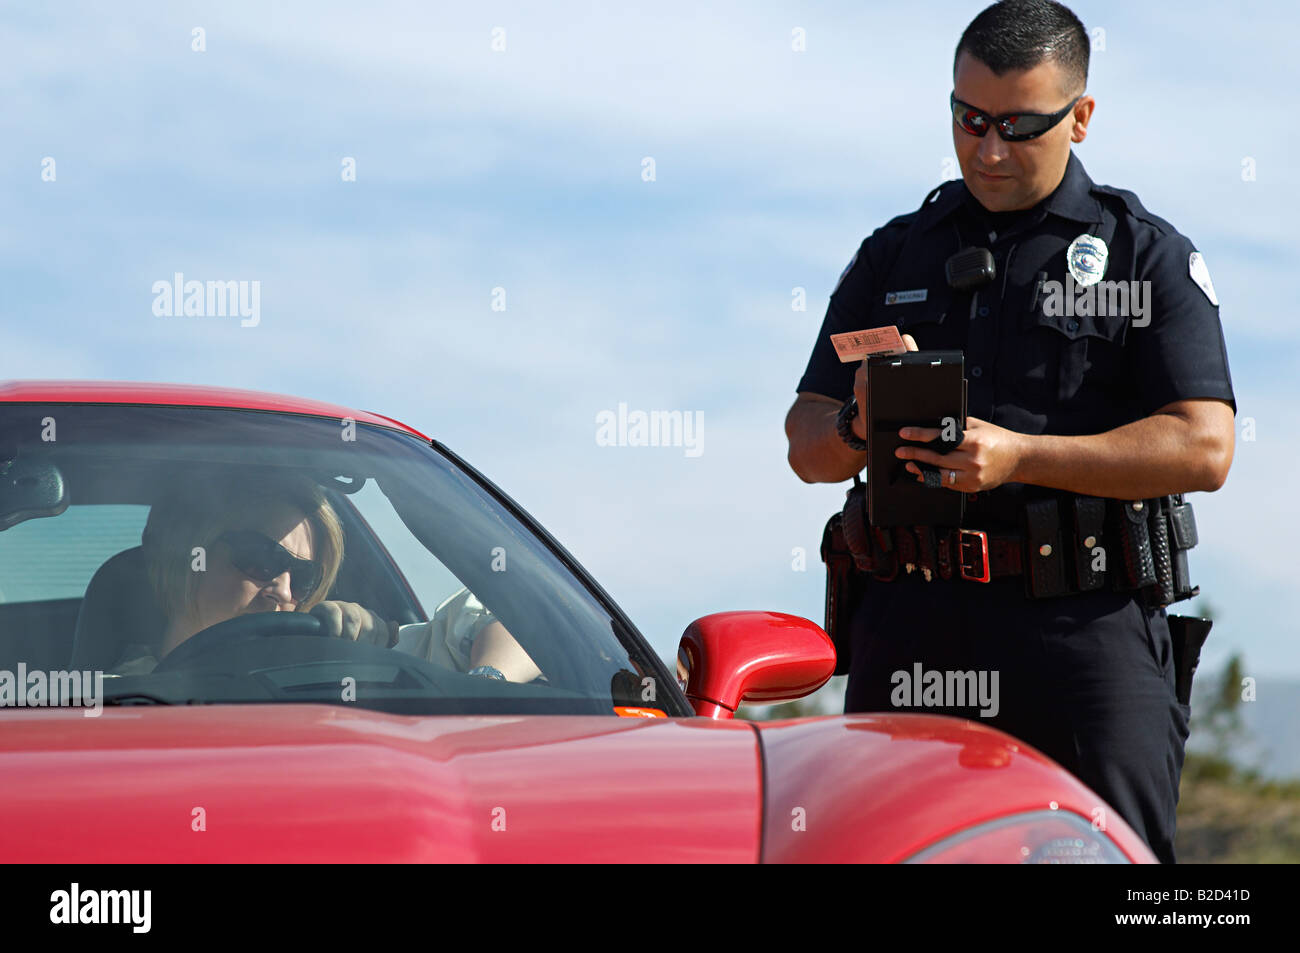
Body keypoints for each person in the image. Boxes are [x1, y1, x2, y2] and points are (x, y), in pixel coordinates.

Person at [785, 0, 1235, 864]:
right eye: (970, 119)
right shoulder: (894, 255)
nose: (988, 149)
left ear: (1082, 117)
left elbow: (1203, 446)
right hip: (910, 623)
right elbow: (805, 441)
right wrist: (856, 421)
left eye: (1020, 127)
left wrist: (1022, 456)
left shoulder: (1143, 255)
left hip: (1083, 634)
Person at [109, 472, 539, 683]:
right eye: (260, 559)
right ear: (187, 556)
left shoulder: (336, 670)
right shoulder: (111, 701)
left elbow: (525, 618)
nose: (284, 590)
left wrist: (483, 688)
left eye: (305, 575)